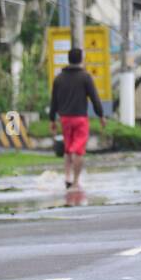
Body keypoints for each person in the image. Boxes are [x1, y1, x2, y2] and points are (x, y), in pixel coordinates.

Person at [49, 47, 106, 190]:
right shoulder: (85, 77)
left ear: (68, 59)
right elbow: (94, 98)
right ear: (81, 59)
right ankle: (75, 181)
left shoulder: (59, 78)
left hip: (65, 119)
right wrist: (101, 115)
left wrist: (52, 120)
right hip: (80, 119)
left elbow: (53, 101)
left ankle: (67, 176)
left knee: (68, 149)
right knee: (78, 151)